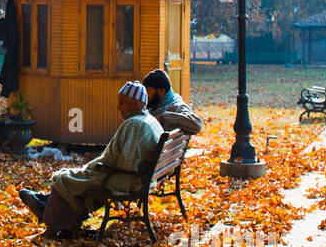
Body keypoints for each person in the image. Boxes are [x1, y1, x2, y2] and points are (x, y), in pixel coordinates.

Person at [17, 81, 164, 238]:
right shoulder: (149, 120)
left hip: (124, 180)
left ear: (135, 103)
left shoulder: (135, 124)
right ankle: (56, 215)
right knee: (74, 177)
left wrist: (101, 165)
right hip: (139, 179)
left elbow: (126, 165)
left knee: (63, 178)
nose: (118, 107)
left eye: (122, 102)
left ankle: (50, 229)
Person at [140, 69, 203, 135]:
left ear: (162, 91)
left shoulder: (177, 106)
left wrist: (163, 118)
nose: (145, 95)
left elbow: (197, 124)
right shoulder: (158, 105)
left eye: (148, 91)